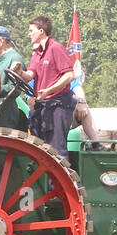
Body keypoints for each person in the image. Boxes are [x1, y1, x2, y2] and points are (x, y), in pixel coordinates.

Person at [10, 16, 76, 158]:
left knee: (56, 149)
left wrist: (48, 91)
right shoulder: (36, 53)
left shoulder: (56, 48)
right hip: (43, 105)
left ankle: (60, 180)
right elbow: (30, 75)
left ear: (41, 31)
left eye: (31, 31)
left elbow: (70, 75)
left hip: (58, 104)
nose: (29, 34)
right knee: (38, 147)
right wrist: (19, 71)